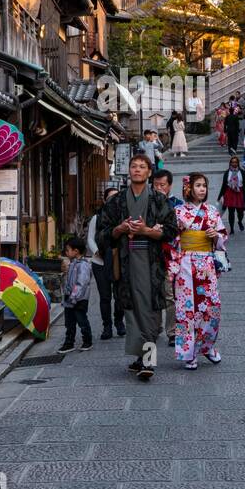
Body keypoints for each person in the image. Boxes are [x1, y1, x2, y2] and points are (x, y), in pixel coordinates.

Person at [97, 154, 179, 381]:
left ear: (150, 172)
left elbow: (172, 230)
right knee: (131, 310)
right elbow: (102, 234)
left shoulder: (159, 200)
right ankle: (141, 357)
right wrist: (120, 229)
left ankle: (148, 361)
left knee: (150, 311)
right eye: (133, 166)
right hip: (125, 261)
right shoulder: (116, 201)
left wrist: (146, 231)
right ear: (128, 170)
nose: (137, 170)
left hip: (151, 262)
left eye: (142, 167)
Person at [168, 172, 226, 370]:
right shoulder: (178, 211)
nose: (202, 189)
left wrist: (215, 235)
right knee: (187, 310)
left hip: (207, 264)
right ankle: (189, 353)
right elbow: (171, 240)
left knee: (212, 307)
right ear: (188, 188)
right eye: (198, 185)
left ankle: (207, 346)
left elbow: (223, 239)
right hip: (185, 263)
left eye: (204, 186)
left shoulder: (212, 211)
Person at [86, 187, 123, 340]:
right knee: (105, 296)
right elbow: (90, 238)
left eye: (117, 197)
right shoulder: (97, 217)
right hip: (99, 262)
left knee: (120, 295)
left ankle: (119, 322)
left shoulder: (123, 217)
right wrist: (97, 252)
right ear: (105, 200)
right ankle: (106, 326)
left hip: (117, 260)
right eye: (110, 198)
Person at [153, 169, 183, 348]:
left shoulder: (178, 205)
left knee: (171, 296)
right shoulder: (147, 203)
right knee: (153, 295)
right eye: (155, 185)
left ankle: (172, 331)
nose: (158, 188)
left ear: (170, 185)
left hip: (172, 256)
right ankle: (154, 329)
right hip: (152, 255)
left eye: (162, 185)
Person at [58, 236, 94, 355]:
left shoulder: (83, 265)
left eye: (68, 250)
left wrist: (73, 296)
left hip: (79, 299)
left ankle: (87, 340)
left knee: (81, 320)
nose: (66, 252)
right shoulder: (73, 263)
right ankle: (69, 342)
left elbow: (81, 283)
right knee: (69, 322)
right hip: (70, 298)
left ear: (76, 251)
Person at [218, 156, 245, 234]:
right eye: (232, 162)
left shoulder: (242, 172)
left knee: (240, 212)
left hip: (240, 193)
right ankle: (232, 228)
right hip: (229, 193)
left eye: (235, 162)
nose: (234, 163)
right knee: (231, 212)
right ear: (230, 163)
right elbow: (224, 185)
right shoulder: (227, 172)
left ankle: (240, 221)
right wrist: (220, 196)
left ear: (238, 163)